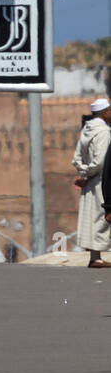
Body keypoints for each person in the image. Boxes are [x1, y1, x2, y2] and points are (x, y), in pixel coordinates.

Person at [72, 97, 111, 267]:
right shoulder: (103, 132)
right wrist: (89, 175)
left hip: (90, 181)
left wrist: (83, 174)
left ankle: (95, 257)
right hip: (102, 180)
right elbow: (102, 161)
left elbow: (77, 158)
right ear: (105, 113)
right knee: (104, 217)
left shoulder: (87, 129)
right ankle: (96, 258)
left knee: (94, 219)